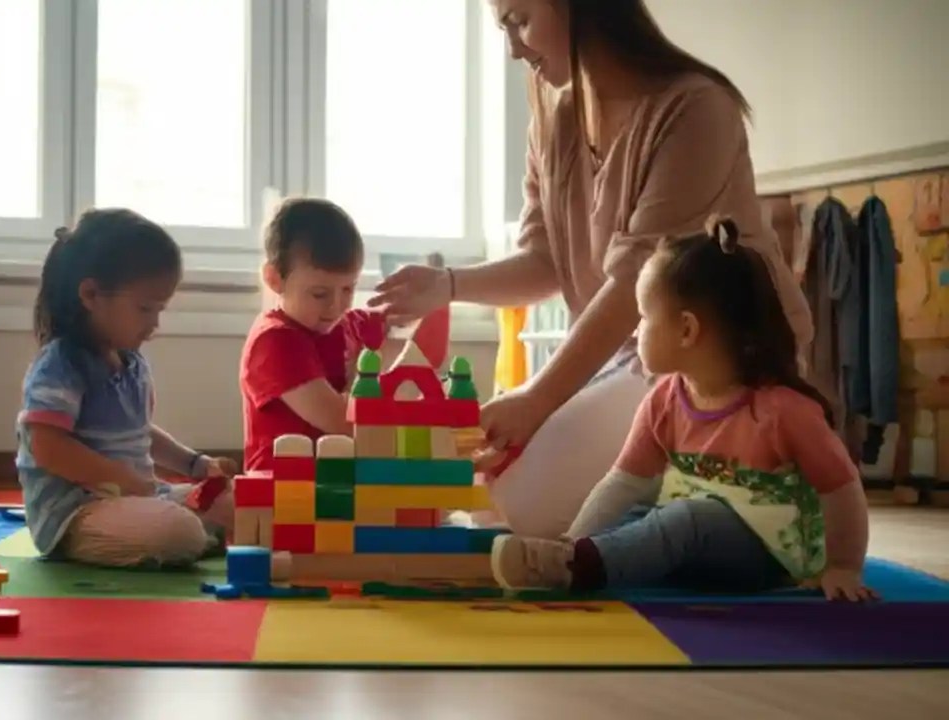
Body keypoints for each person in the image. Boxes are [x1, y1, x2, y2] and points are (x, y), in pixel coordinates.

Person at [371, 0, 813, 537]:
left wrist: (537, 400)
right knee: (489, 491)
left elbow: (633, 283)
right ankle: (661, 502)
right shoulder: (557, 118)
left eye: (520, 21)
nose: (513, 48)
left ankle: (703, 493)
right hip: (633, 352)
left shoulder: (696, 109)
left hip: (712, 363)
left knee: (525, 511)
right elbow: (544, 259)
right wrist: (448, 286)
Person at [491, 218, 874, 602]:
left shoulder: (782, 411)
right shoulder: (664, 400)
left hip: (770, 557)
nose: (636, 331)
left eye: (644, 316)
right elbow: (623, 484)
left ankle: (573, 569)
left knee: (689, 519)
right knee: (637, 516)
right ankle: (571, 558)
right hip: (689, 540)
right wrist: (573, 539)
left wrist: (843, 566)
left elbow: (841, 488)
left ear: (687, 330)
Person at [17, 208, 237, 567]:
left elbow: (141, 432)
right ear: (90, 295)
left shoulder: (131, 363)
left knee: (242, 501)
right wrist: (120, 479)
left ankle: (197, 532)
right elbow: (46, 445)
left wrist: (196, 464)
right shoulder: (61, 363)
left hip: (141, 497)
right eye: (145, 309)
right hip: (79, 513)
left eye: (160, 310)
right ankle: (191, 536)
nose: (155, 324)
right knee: (177, 532)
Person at [240, 198, 387, 471]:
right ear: (274, 280)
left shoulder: (343, 323)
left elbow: (395, 318)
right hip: (281, 488)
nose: (337, 306)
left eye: (348, 290)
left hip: (335, 481)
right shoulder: (275, 342)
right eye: (319, 294)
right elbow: (345, 423)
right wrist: (362, 372)